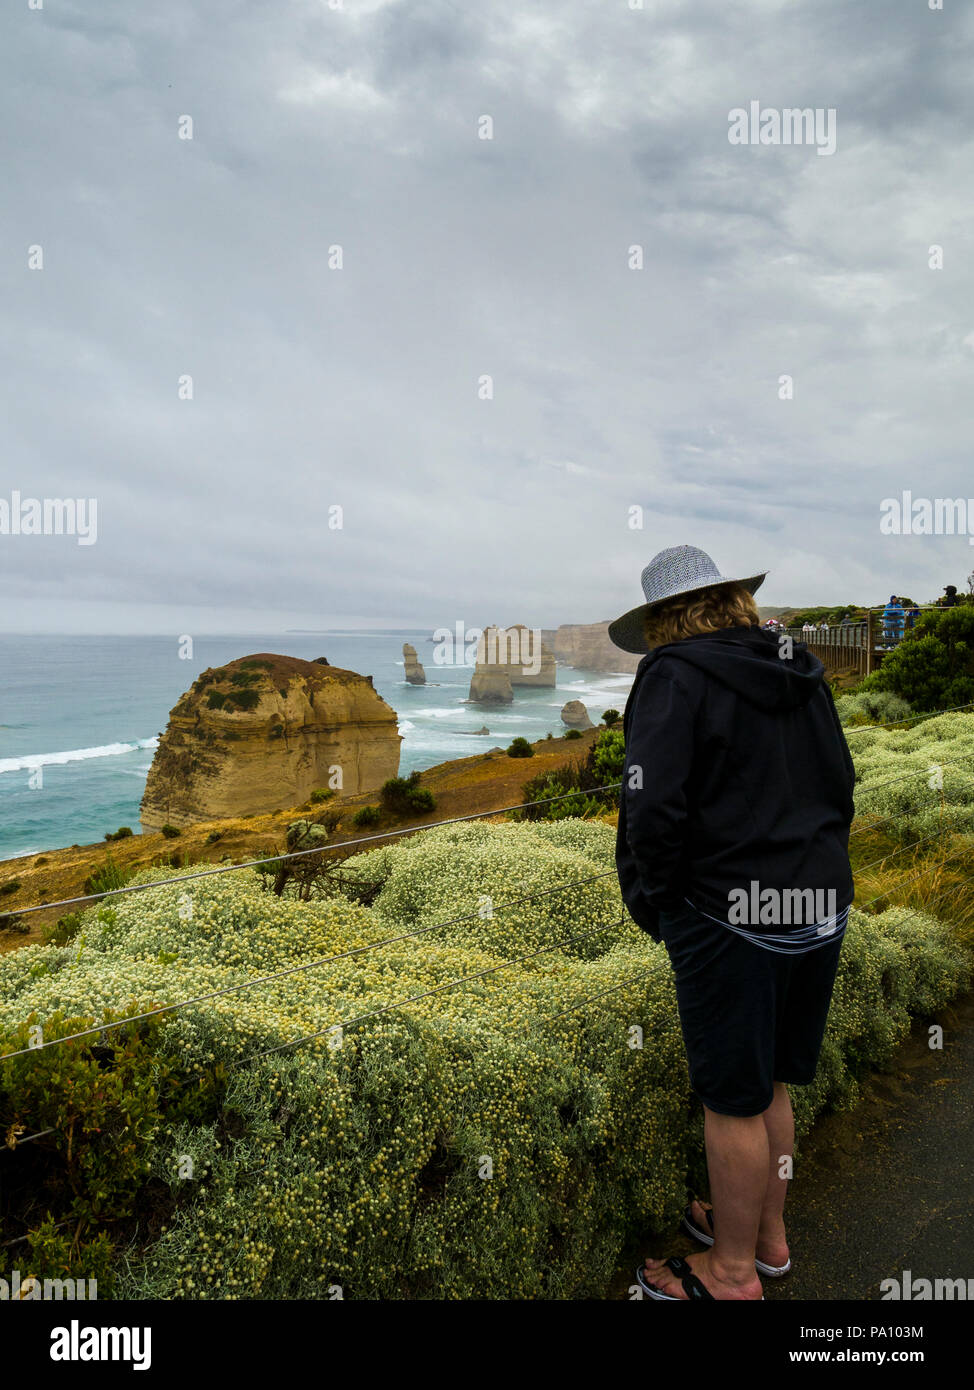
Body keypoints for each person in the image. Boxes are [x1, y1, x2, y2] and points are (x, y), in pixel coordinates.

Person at [610, 545, 855, 1302]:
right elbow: (840, 780)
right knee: (770, 1082)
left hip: (730, 914)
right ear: (734, 600)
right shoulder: (795, 664)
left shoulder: (672, 674)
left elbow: (653, 806)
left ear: (662, 618)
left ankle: (732, 1273)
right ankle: (766, 1238)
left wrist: (661, 901)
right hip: (817, 902)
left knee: (731, 1100)